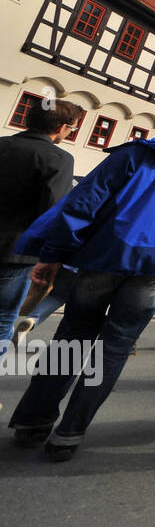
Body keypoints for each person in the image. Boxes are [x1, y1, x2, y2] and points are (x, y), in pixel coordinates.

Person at [8, 106, 155, 460]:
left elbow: (84, 203)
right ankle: (69, 433)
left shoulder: (130, 155)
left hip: (106, 256)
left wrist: (53, 253)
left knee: (73, 336)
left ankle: (34, 421)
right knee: (114, 347)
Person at [0, 99, 82, 359]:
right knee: (3, 319)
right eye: (71, 128)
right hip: (16, 251)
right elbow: (52, 212)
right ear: (60, 126)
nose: (70, 132)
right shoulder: (58, 158)